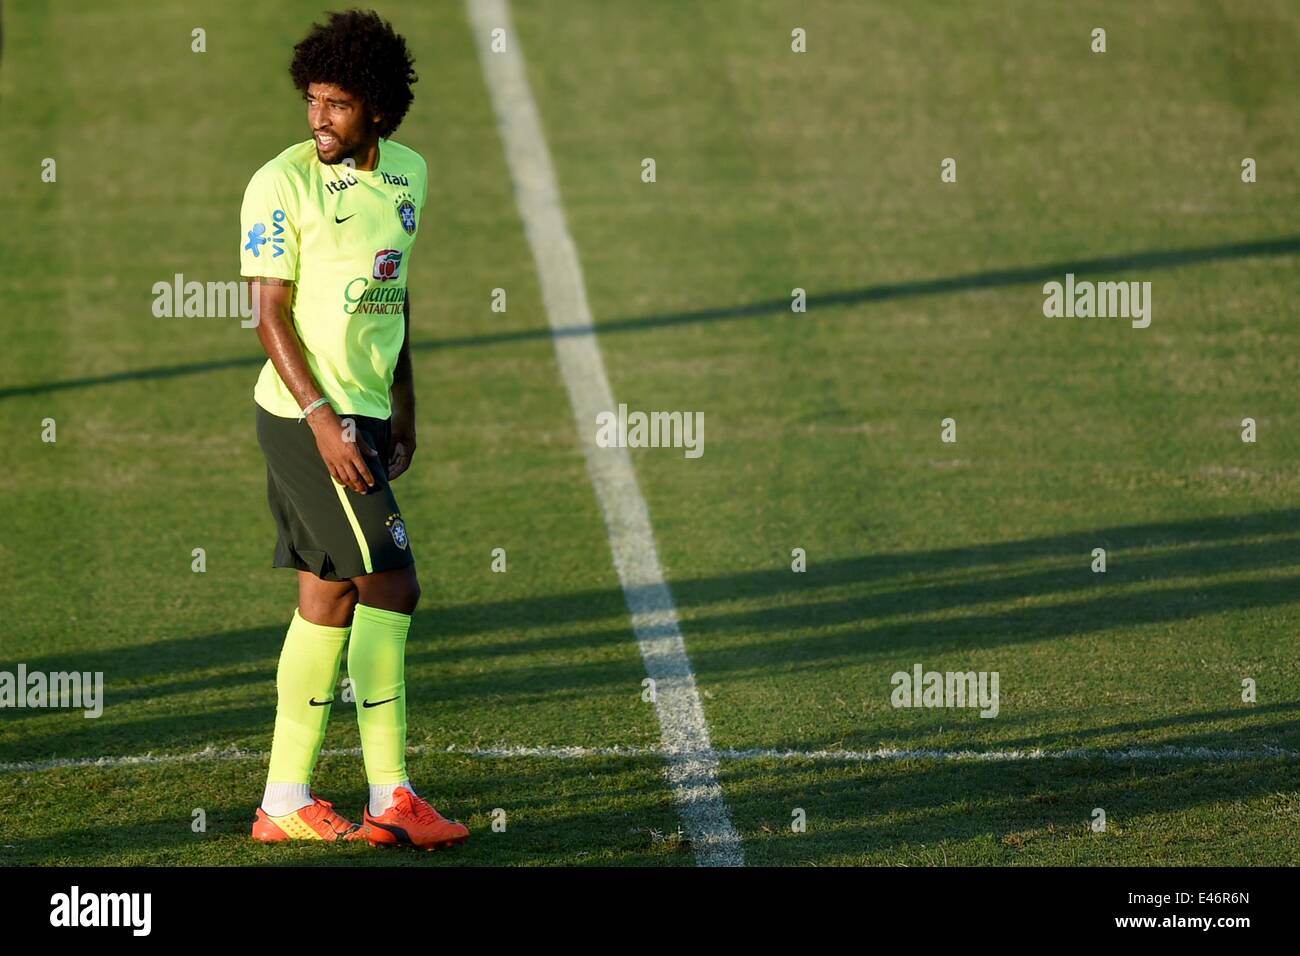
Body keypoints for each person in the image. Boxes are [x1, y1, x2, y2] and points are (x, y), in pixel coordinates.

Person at [239, 8, 467, 850]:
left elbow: (393, 292)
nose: (317, 119)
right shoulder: (281, 182)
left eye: (335, 104)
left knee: (328, 597)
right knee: (394, 585)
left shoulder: (410, 173)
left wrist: (402, 404)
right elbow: (268, 315)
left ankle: (284, 801)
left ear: (377, 108)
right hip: (306, 420)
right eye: (311, 100)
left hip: (365, 414)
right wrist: (325, 420)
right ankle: (390, 796)